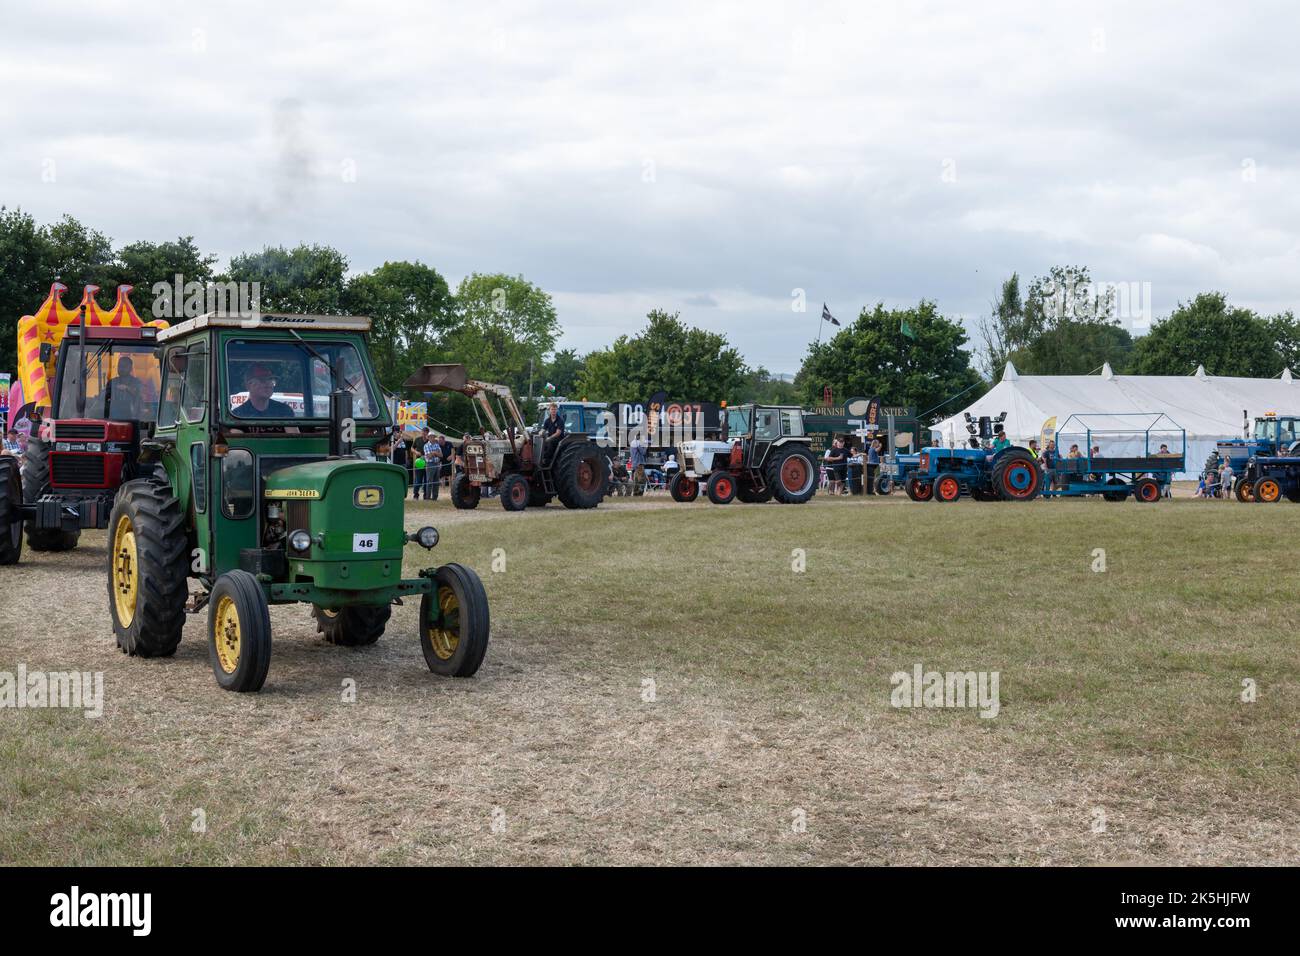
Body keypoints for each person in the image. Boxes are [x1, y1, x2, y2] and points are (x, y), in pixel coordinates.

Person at [424, 436, 442, 500]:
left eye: (433, 437)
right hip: (430, 464)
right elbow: (428, 456)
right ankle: (428, 497)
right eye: (431, 437)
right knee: (429, 482)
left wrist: (433, 453)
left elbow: (441, 455)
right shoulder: (426, 445)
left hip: (437, 464)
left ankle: (435, 497)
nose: (432, 438)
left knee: (436, 482)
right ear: (428, 438)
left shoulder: (437, 445)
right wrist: (435, 452)